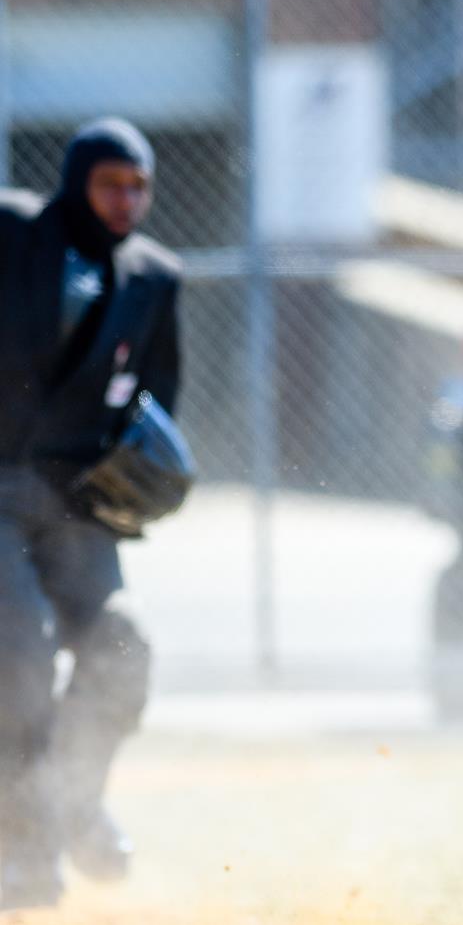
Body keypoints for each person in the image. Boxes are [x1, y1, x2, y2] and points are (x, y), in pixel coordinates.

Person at [0, 118, 182, 910]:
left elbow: (157, 400)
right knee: (20, 658)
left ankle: (73, 802)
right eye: (111, 182)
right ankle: (23, 848)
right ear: (77, 181)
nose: (127, 199)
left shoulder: (153, 275)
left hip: (77, 503)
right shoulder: (12, 232)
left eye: (139, 185)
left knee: (121, 646)